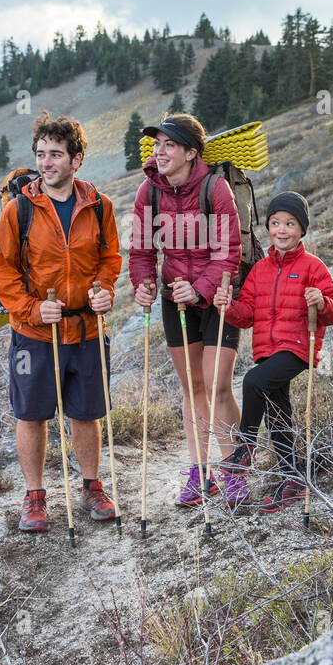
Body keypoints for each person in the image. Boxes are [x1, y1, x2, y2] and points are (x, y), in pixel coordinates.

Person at [0, 111, 122, 532]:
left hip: (85, 330)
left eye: (56, 155)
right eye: (41, 154)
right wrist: (30, 309)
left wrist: (103, 290)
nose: (46, 163)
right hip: (34, 333)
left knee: (86, 412)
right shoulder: (18, 211)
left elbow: (110, 259)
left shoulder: (100, 206)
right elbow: (4, 271)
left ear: (77, 159)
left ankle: (92, 487)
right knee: (31, 414)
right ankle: (34, 497)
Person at [128, 113, 245, 506]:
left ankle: (234, 469)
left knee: (217, 384)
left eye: (169, 145)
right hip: (173, 298)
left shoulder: (216, 188)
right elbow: (142, 250)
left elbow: (229, 253)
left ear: (191, 153)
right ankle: (200, 473)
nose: (160, 152)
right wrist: (143, 286)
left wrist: (199, 291)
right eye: (157, 144)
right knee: (192, 386)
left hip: (218, 297)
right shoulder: (150, 192)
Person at [213, 190, 333, 513]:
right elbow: (246, 314)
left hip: (297, 347)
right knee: (277, 411)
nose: (281, 230)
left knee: (254, 381)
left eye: (289, 223)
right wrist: (228, 307)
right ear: (268, 227)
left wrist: (321, 302)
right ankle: (292, 478)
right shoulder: (260, 270)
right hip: (266, 350)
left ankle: (244, 450)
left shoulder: (313, 266)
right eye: (275, 223)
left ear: (301, 230)